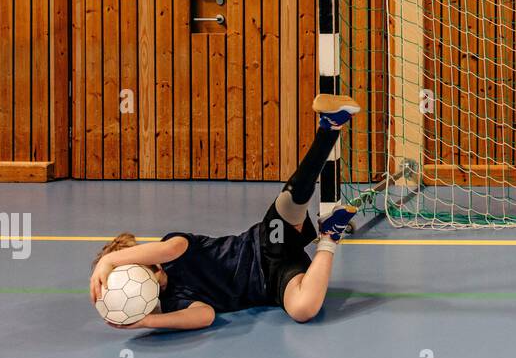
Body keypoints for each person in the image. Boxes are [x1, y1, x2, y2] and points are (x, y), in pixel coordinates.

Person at [88, 94, 362, 329]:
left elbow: (169, 249)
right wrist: (147, 321)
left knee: (288, 203)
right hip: (274, 283)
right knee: (303, 309)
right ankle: (330, 236)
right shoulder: (172, 301)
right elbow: (204, 316)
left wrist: (110, 261)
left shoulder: (174, 248)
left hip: (265, 245)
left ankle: (330, 126)